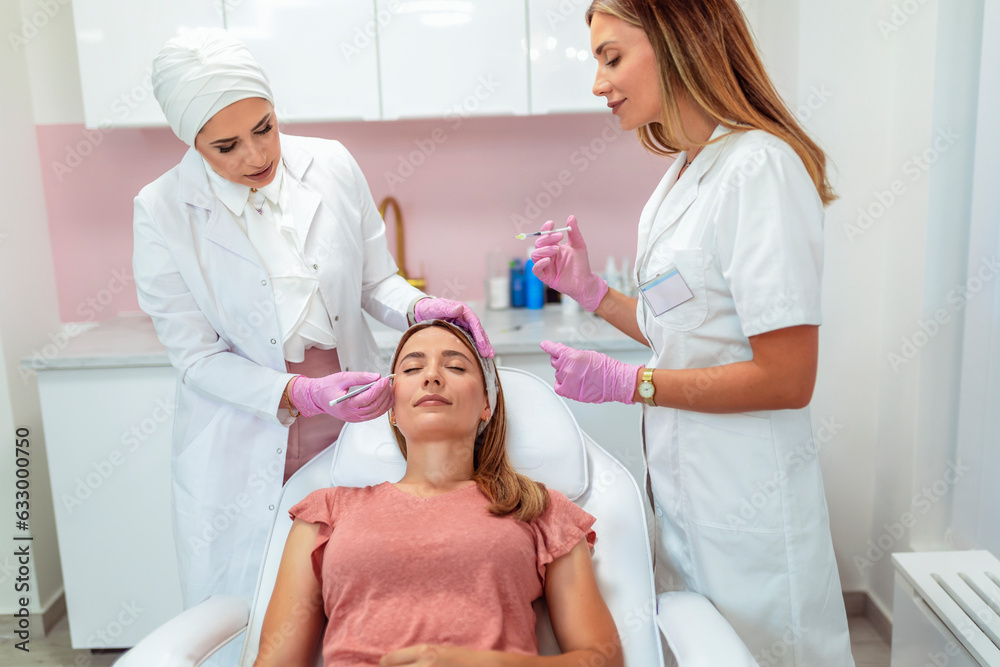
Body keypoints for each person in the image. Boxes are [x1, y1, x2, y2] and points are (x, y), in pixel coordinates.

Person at [132, 27, 493, 644]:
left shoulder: (330, 164)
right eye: (225, 146)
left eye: (264, 127)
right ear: (192, 144)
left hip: (357, 414)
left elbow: (377, 284)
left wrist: (422, 308)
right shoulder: (162, 208)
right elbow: (195, 358)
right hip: (246, 430)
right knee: (250, 609)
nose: (254, 155)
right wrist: (297, 394)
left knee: (360, 586)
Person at [529, 1, 854, 664]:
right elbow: (679, 331)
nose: (598, 83)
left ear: (680, 40)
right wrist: (592, 292)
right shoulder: (678, 181)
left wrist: (631, 384)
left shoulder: (757, 169)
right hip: (686, 506)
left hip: (749, 514)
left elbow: (787, 377)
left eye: (611, 57)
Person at [253, 320, 622, 667]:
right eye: (412, 369)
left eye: (457, 368)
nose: (431, 376)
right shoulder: (326, 512)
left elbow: (602, 658)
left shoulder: (538, 508)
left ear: (485, 406)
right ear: (391, 409)